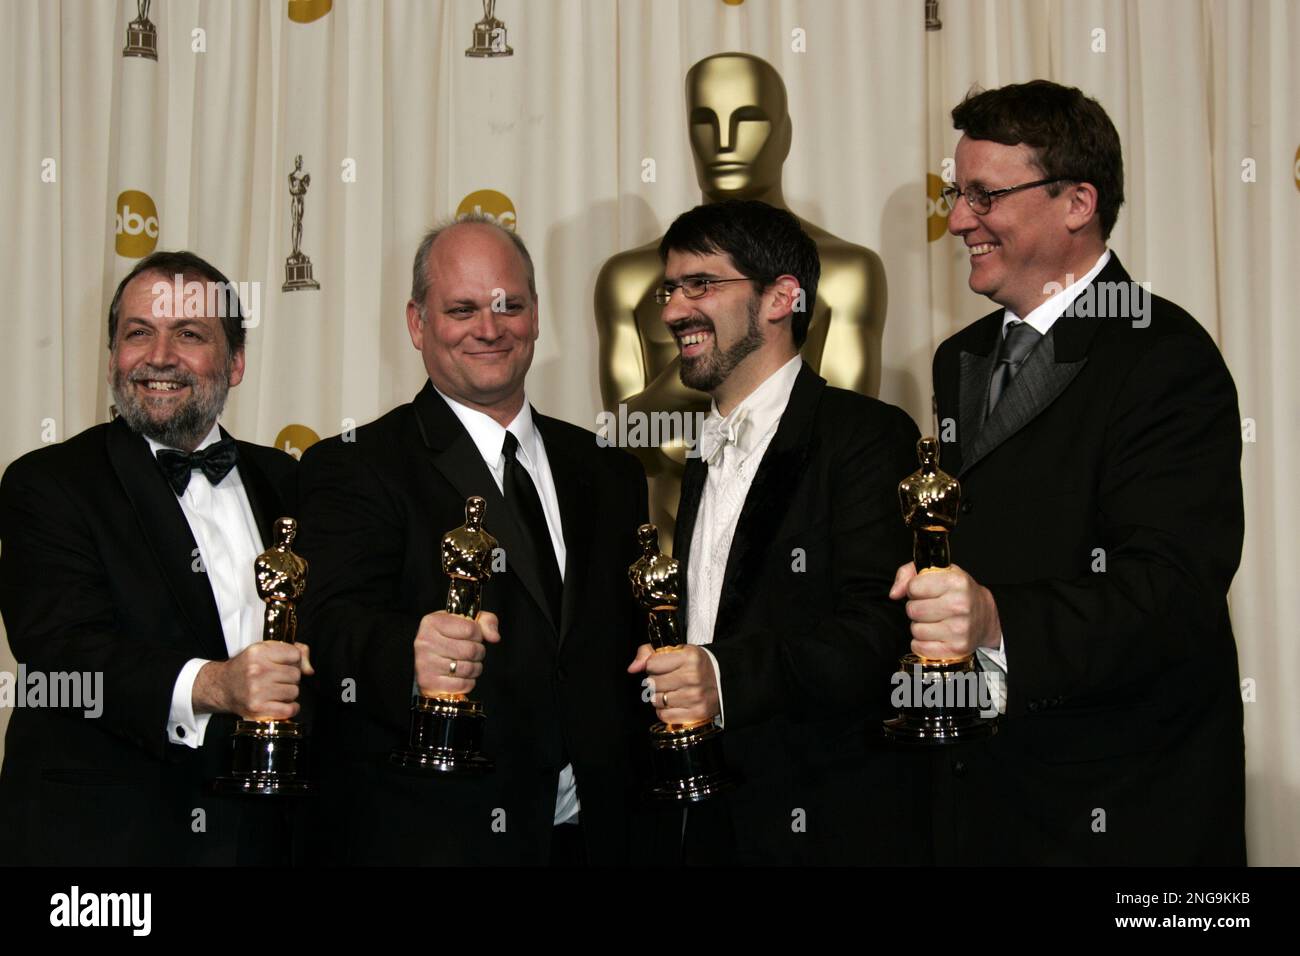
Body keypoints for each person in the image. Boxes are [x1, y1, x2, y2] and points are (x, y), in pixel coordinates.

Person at [893, 80, 1246, 864]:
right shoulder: (962, 358)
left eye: (984, 195)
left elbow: (1170, 590)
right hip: (982, 800)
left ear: (1077, 202)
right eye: (957, 193)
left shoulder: (1165, 354)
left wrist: (993, 619)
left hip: (1121, 810)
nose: (955, 220)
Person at [296, 215, 649, 866]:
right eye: (461, 309)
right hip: (437, 838)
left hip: (600, 839)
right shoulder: (355, 464)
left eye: (508, 305)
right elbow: (323, 625)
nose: (489, 328)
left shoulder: (609, 468)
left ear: (536, 315)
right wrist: (409, 650)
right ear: (416, 324)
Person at [628, 199, 925, 865]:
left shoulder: (865, 437)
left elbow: (882, 629)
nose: (674, 309)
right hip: (712, 818)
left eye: (701, 284)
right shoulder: (703, 452)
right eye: (670, 289)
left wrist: (721, 675)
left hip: (829, 823)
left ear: (780, 297)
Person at [0, 250, 304, 865]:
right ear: (113, 356)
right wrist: (213, 684)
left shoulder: (290, 482)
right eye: (139, 333)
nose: (159, 357)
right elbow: (64, 655)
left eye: (189, 334)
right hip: (106, 847)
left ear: (236, 362)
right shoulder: (48, 483)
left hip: (270, 839)